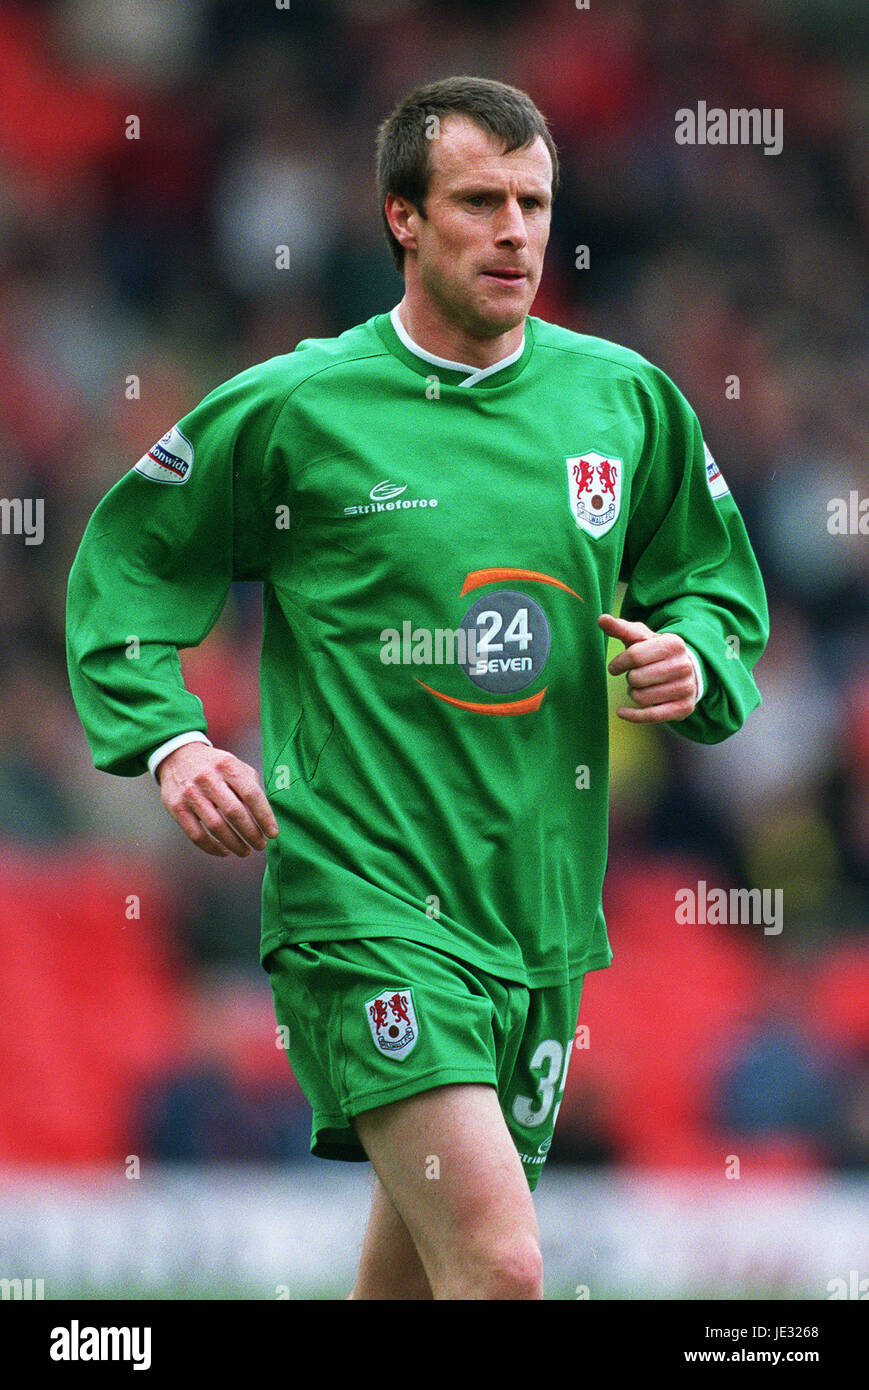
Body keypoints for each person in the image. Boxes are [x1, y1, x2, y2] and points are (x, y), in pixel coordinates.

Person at [66, 75, 769, 1300]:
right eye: (479, 200)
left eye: (535, 202)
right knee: (498, 1269)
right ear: (401, 216)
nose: (516, 231)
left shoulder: (621, 400)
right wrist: (171, 742)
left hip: (536, 918)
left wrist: (696, 654)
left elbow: (712, 584)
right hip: (366, 901)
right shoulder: (301, 405)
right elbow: (128, 558)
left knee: (414, 1284)